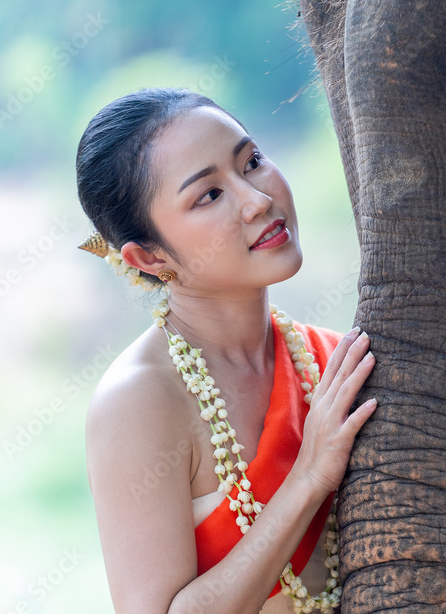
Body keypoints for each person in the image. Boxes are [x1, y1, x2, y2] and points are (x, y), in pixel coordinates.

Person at [76, 87, 377, 613]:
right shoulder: (140, 401)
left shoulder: (331, 362)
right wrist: (308, 477)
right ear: (147, 256)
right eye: (208, 195)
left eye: (252, 162)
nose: (258, 199)